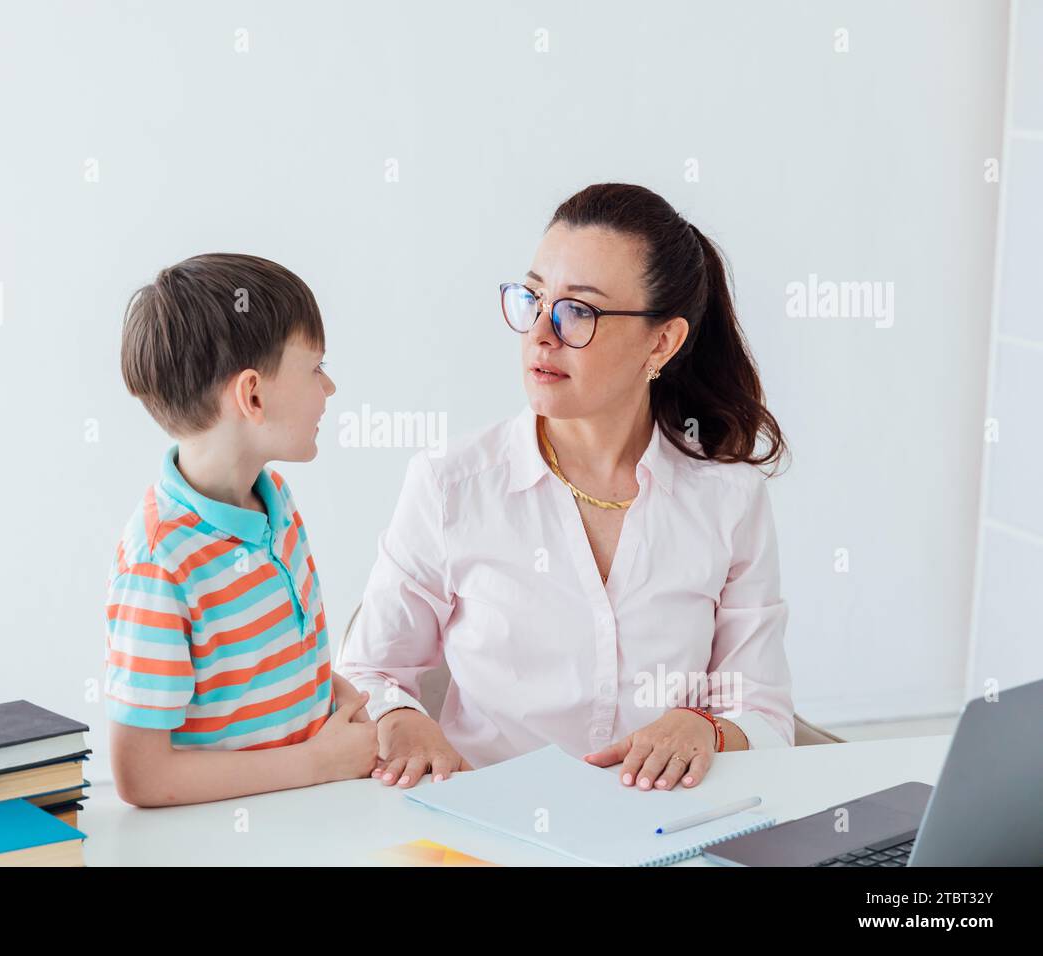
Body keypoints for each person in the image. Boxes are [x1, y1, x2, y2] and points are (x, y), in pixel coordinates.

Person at [339, 183, 795, 793]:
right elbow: (366, 670)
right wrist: (399, 715)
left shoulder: (729, 496)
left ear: (662, 342)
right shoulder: (451, 486)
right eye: (533, 298)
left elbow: (764, 716)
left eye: (579, 310)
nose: (542, 334)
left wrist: (706, 728)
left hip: (664, 827)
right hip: (488, 831)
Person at [104, 253, 376, 806]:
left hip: (312, 811)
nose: (330, 388)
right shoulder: (160, 561)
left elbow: (270, 677)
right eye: (315, 367)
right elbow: (142, 776)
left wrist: (339, 699)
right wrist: (318, 763)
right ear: (253, 395)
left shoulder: (276, 503)